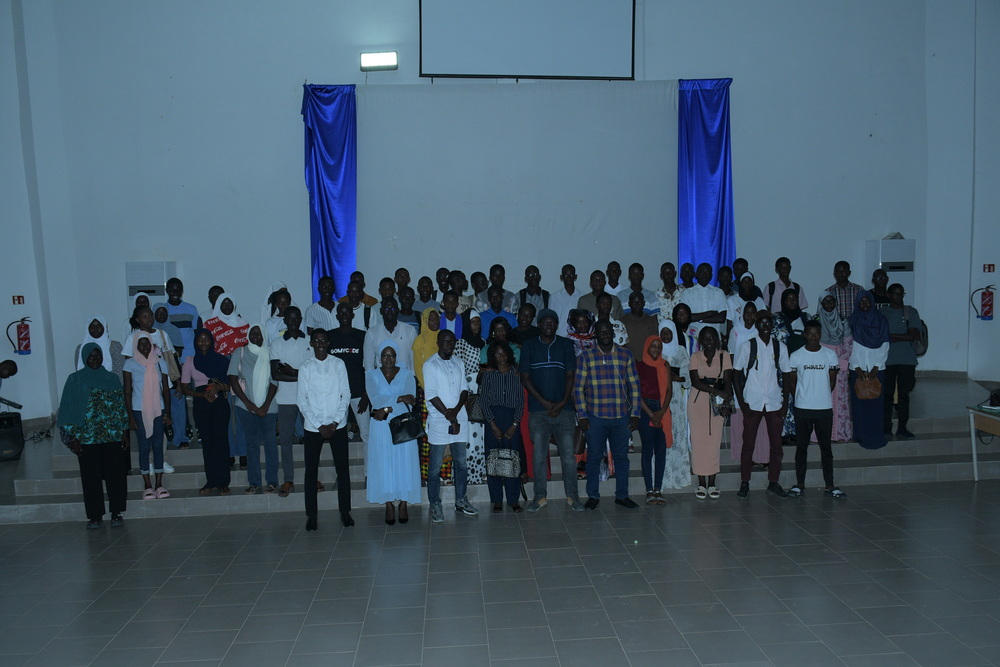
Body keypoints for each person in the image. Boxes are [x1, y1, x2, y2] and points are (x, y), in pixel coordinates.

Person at [58, 343, 130, 528]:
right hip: (86, 437)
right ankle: (95, 515)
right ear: (84, 358)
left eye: (98, 356)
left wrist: (124, 431)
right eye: (91, 357)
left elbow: (120, 406)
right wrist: (72, 437)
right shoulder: (75, 379)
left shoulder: (112, 378)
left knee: (116, 476)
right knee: (90, 478)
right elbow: (67, 408)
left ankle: (116, 512)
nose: (95, 360)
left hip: (112, 435)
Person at [521, 309, 583, 512]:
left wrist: (563, 402)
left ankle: (573, 496)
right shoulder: (529, 345)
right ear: (539, 324)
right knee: (539, 456)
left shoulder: (565, 344)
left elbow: (570, 375)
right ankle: (540, 497)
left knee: (568, 457)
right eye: (545, 322)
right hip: (538, 412)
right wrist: (544, 402)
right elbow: (525, 377)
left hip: (564, 411)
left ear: (557, 325)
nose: (549, 325)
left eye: (552, 322)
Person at [575, 320, 641, 510]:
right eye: (601, 332)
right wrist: (582, 415)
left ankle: (622, 495)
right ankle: (593, 496)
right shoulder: (586, 356)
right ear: (595, 334)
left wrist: (635, 413)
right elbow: (578, 389)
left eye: (608, 331)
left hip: (621, 417)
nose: (605, 334)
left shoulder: (625, 355)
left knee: (621, 458)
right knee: (594, 457)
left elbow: (635, 386)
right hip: (595, 417)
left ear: (613, 333)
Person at [297, 328, 353, 530]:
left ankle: (345, 512)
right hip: (314, 427)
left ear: (328, 343)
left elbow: (345, 394)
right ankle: (311, 515)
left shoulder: (338, 364)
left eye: (323, 340)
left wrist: (335, 422)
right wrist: (319, 425)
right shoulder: (306, 367)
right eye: (316, 340)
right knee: (311, 471)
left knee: (343, 470)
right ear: (311, 343)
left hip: (337, 425)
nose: (320, 343)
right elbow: (302, 400)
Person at [733, 311, 792, 499]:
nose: (765, 326)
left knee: (777, 446)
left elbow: (787, 375)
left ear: (772, 325)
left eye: (768, 323)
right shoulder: (747, 346)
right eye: (762, 323)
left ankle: (773, 482)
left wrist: (785, 404)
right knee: (748, 445)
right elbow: (735, 375)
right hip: (753, 402)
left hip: (774, 402)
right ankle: (745, 483)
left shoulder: (780, 347)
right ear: (757, 325)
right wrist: (742, 403)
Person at [424, 330, 478, 523]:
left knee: (461, 464)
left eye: (452, 341)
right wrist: (449, 415)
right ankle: (435, 504)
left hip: (459, 417)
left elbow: (464, 389)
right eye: (446, 341)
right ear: (438, 342)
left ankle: (461, 500)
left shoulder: (458, 362)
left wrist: (455, 412)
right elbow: (431, 394)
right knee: (435, 468)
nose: (449, 344)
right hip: (439, 420)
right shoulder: (430, 364)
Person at [787, 320, 844, 498]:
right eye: (810, 333)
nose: (813, 337)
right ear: (805, 334)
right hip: (803, 408)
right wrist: (802, 397)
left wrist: (820, 395)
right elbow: (792, 382)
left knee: (826, 448)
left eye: (816, 333)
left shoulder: (830, 355)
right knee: (801, 448)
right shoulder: (796, 356)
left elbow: (832, 381)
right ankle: (800, 485)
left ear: (820, 335)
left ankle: (830, 485)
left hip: (824, 409)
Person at [366, 340, 420, 525]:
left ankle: (403, 503)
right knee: (384, 463)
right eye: (385, 355)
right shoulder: (371, 375)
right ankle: (388, 504)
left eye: (392, 355)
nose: (388, 358)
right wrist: (398, 399)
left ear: (396, 357)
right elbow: (375, 400)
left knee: (404, 462)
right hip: (380, 426)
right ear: (379, 357)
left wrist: (387, 408)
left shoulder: (407, 374)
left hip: (402, 425)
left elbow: (411, 399)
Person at [229, 324, 279, 494]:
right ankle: (254, 482)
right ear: (248, 335)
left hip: (268, 408)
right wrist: (249, 404)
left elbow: (274, 381)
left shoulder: (270, 353)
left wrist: (264, 406)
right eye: (252, 333)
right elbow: (233, 379)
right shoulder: (240, 352)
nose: (255, 335)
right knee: (251, 445)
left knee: (270, 445)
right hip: (245, 407)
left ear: (264, 336)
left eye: (258, 333)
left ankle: (272, 482)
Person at [181, 329, 232, 496]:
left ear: (212, 341)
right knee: (208, 443)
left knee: (221, 442)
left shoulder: (222, 360)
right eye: (200, 340)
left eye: (207, 339)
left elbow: (231, 385)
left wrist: (219, 387)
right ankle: (211, 481)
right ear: (195, 342)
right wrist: (201, 395)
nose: (203, 342)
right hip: (201, 404)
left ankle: (223, 482)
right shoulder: (190, 361)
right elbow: (184, 388)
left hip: (220, 404)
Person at [122, 333, 172, 500]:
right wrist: (130, 416)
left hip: (158, 409)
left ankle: (159, 484)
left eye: (147, 343)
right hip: (139, 410)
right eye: (141, 344)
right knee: (144, 447)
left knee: (158, 446)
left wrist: (168, 413)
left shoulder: (160, 363)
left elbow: (166, 390)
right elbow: (127, 392)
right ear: (136, 346)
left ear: (152, 345)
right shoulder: (130, 364)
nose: (144, 347)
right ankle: (147, 485)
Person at [270, 306, 313, 497]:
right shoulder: (277, 344)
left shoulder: (310, 342)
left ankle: (312, 477)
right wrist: (302, 375)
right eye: (290, 318)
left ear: (301, 320)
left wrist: (293, 372)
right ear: (285, 320)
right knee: (286, 441)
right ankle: (288, 480)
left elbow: (313, 372)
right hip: (285, 399)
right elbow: (276, 374)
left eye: (297, 319)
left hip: (307, 398)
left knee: (311, 440)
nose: (293, 322)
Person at [480, 340, 525, 513]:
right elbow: (483, 401)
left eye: (504, 354)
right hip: (493, 420)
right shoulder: (489, 375)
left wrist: (515, 424)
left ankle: (513, 499)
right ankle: (497, 500)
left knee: (513, 459)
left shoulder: (516, 374)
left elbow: (520, 401)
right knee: (493, 459)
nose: (501, 357)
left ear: (509, 354)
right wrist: (493, 425)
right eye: (497, 354)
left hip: (512, 419)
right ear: (493, 356)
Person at [688, 327, 732, 499]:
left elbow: (727, 381)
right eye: (705, 338)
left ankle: (712, 483)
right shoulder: (695, 357)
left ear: (717, 339)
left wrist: (726, 401)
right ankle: (701, 483)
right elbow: (695, 382)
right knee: (698, 442)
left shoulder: (724, 356)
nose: (709, 341)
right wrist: (717, 391)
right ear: (700, 340)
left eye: (712, 337)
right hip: (697, 401)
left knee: (714, 442)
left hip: (717, 403)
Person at [728, 302, 771, 468]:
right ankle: (744, 456)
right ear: (742, 314)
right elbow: (732, 355)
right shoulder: (735, 331)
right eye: (747, 313)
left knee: (760, 420)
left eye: (753, 313)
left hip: (758, 381)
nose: (749, 316)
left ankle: (762, 455)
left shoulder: (759, 331)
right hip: (739, 378)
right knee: (741, 419)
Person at [848, 291, 890, 449]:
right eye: (861, 301)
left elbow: (885, 344)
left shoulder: (881, 320)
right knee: (859, 405)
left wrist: (876, 366)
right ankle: (860, 435)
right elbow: (848, 346)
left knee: (875, 404)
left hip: (877, 370)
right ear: (857, 303)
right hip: (857, 369)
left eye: (867, 301)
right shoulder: (852, 321)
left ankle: (876, 436)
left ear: (872, 302)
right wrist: (857, 367)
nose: (864, 304)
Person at [635, 335, 673, 504]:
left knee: (661, 451)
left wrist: (662, 412)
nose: (656, 349)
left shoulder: (665, 365)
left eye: (659, 346)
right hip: (646, 410)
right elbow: (636, 393)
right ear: (646, 347)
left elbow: (669, 390)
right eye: (653, 346)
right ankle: (649, 489)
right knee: (648, 450)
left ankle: (658, 489)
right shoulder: (639, 366)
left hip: (662, 409)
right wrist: (652, 415)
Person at [330, 302, 370, 455]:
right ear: (337, 316)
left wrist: (366, 394)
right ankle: (342, 469)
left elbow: (369, 367)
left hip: (359, 392)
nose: (344, 315)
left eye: (347, 312)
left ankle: (369, 469)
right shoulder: (330, 336)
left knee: (366, 434)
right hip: (337, 394)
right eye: (341, 313)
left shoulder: (362, 336)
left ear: (352, 315)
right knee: (339, 435)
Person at [163, 277, 200, 449]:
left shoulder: (191, 309)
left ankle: (200, 430)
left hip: (190, 360)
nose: (175, 291)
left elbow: (197, 334)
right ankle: (181, 436)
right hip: (171, 363)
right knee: (177, 400)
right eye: (171, 288)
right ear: (167, 290)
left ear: (182, 290)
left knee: (198, 397)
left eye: (178, 288)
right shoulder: (162, 311)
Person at [883, 283, 921, 440]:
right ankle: (886, 428)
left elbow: (912, 335)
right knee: (887, 395)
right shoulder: (883, 313)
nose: (899, 297)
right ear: (888, 295)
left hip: (907, 360)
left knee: (904, 395)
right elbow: (880, 335)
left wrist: (892, 336)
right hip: (887, 360)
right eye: (895, 294)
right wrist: (901, 336)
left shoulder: (911, 312)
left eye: (901, 294)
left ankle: (902, 428)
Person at [454, 310, 487, 485]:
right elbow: (457, 370)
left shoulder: (483, 342)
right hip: (467, 391)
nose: (476, 325)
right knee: (469, 434)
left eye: (478, 322)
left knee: (482, 433)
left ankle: (481, 471)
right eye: (473, 322)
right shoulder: (460, 343)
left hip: (483, 390)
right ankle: (468, 473)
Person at [817, 291, 854, 442]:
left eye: (831, 301)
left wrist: (840, 364)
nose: (829, 304)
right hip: (821, 368)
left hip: (839, 368)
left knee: (839, 400)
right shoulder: (816, 320)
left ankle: (839, 433)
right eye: (825, 301)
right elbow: (813, 344)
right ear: (821, 304)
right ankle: (820, 435)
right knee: (821, 400)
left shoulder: (843, 321)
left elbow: (848, 344)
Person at [660, 322, 692, 490]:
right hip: (661, 397)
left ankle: (678, 477)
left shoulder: (681, 351)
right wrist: (668, 376)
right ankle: (662, 478)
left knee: (677, 434)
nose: (666, 336)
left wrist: (678, 378)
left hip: (677, 399)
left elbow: (687, 377)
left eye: (669, 332)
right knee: (663, 435)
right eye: (663, 332)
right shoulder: (656, 350)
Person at [680, 263, 728, 340]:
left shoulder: (718, 292)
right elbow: (687, 317)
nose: (704, 275)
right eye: (701, 272)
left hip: (714, 338)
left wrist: (699, 319)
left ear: (711, 276)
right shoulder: (687, 293)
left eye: (707, 272)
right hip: (694, 338)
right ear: (696, 274)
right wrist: (709, 313)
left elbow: (721, 318)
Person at [726, 272, 765, 342]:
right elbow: (729, 322)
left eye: (749, 281)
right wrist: (729, 338)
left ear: (752, 283)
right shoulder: (732, 300)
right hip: (738, 335)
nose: (747, 284)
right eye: (744, 281)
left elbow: (763, 319)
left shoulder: (759, 300)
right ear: (740, 284)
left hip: (756, 335)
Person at [620, 291, 659, 362]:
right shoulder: (622, 322)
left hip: (648, 360)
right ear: (629, 304)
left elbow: (654, 342)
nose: (637, 304)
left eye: (639, 302)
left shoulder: (651, 321)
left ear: (644, 303)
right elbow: (621, 346)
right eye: (634, 302)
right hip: (628, 361)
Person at [549, 264, 580, 329]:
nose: (569, 277)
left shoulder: (582, 296)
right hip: (559, 333)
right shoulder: (554, 297)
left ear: (575, 276)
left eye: (571, 275)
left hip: (577, 333)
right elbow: (551, 317)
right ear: (561, 277)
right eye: (566, 275)